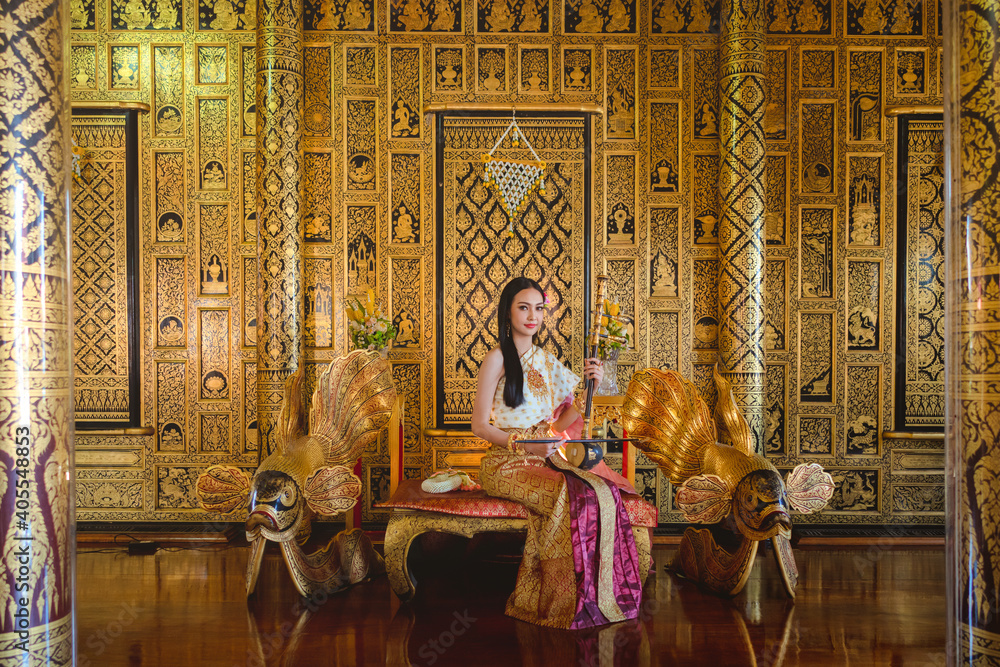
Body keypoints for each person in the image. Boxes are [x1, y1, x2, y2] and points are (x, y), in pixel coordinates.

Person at [471, 277, 644, 629]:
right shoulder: (496, 360)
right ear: (508, 312)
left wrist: (587, 391)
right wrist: (521, 443)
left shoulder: (546, 362)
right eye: (523, 307)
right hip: (506, 462)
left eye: (538, 308)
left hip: (544, 457)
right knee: (567, 493)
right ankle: (556, 599)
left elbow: (560, 424)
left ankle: (602, 595)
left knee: (599, 491)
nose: (532, 315)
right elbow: (479, 427)